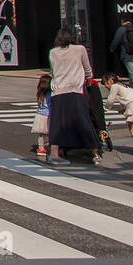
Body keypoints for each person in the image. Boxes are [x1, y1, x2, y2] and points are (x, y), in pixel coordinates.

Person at [46, 27, 102, 165]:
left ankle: (54, 153)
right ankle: (95, 153)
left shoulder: (53, 52)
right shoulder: (80, 49)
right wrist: (88, 83)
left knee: (57, 123)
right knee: (83, 121)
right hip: (76, 90)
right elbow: (88, 70)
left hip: (58, 91)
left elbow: (53, 72)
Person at [102, 73, 133, 157]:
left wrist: (105, 108)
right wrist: (124, 109)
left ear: (111, 81)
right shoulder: (124, 86)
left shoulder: (114, 86)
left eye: (106, 83)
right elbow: (128, 98)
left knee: (132, 128)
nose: (106, 86)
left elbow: (110, 100)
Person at [109, 17, 133, 94]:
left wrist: (111, 49)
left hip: (128, 55)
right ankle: (130, 91)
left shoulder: (122, 29)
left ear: (123, 21)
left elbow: (116, 41)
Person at [32, 74, 52, 158]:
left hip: (40, 114)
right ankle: (52, 147)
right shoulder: (50, 94)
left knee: (41, 134)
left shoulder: (40, 93)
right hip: (48, 115)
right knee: (49, 133)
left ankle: (41, 147)